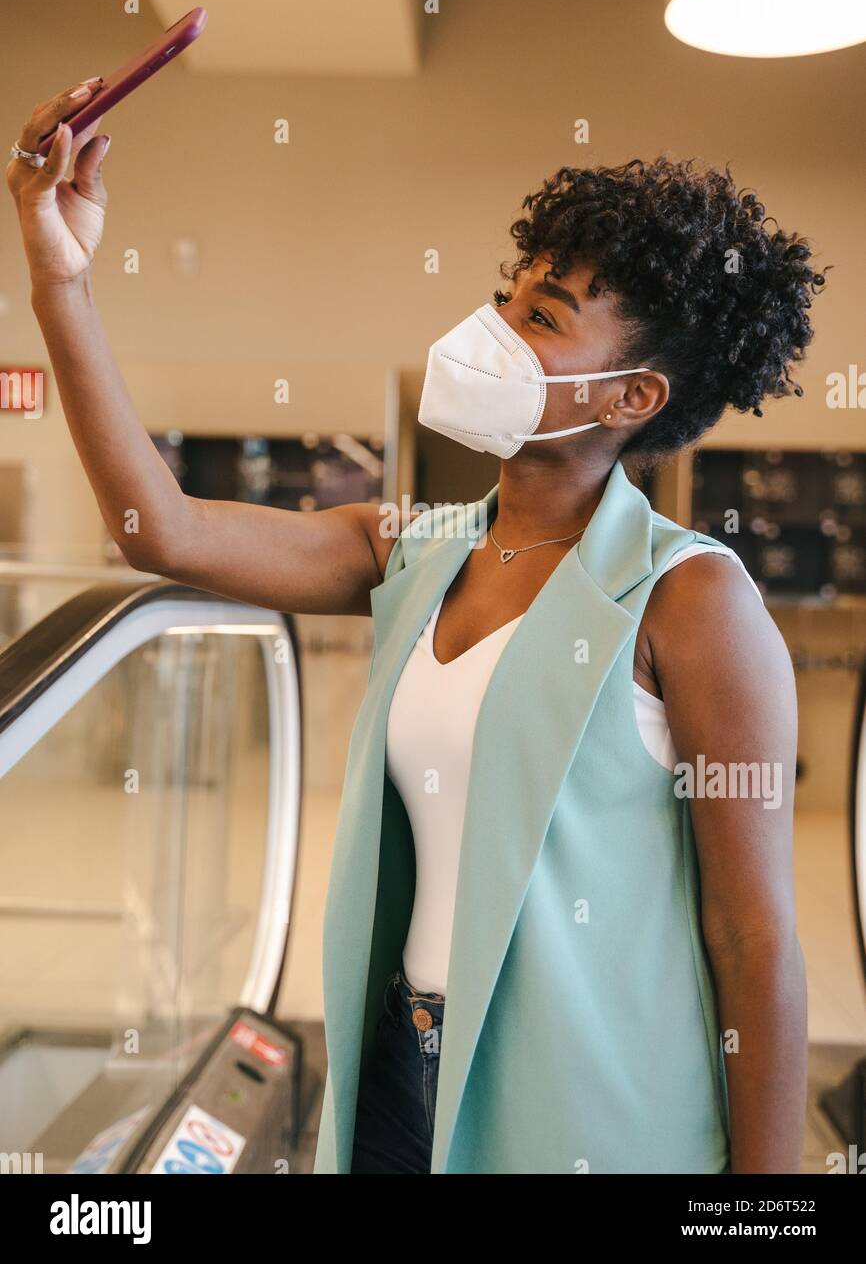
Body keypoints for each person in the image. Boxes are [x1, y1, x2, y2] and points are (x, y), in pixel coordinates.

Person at [7, 80, 824, 1174]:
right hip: (398, 1068)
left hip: (588, 1109)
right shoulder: (412, 545)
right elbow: (159, 528)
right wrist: (62, 278)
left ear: (631, 398)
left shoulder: (688, 598)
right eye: (508, 293)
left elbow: (752, 937)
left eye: (539, 316)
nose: (491, 326)